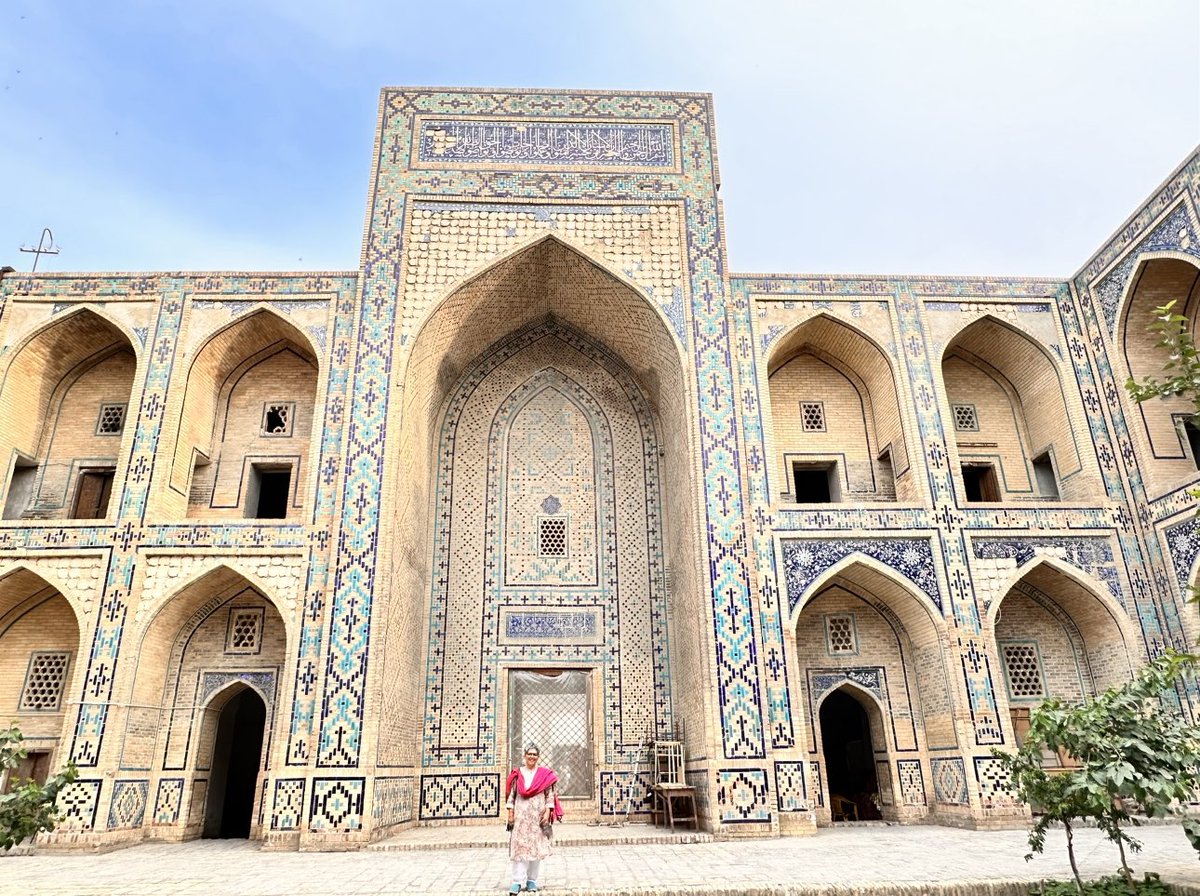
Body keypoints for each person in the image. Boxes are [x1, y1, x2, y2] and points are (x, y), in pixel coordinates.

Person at [504, 744, 562, 893]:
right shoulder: (518, 774)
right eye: (529, 754)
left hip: (537, 818)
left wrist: (548, 812)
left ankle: (531, 881)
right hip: (521, 819)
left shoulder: (544, 775)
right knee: (520, 849)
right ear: (524, 756)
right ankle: (517, 881)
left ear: (538, 757)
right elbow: (512, 796)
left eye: (534, 754)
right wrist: (510, 814)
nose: (532, 757)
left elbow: (550, 796)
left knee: (535, 849)